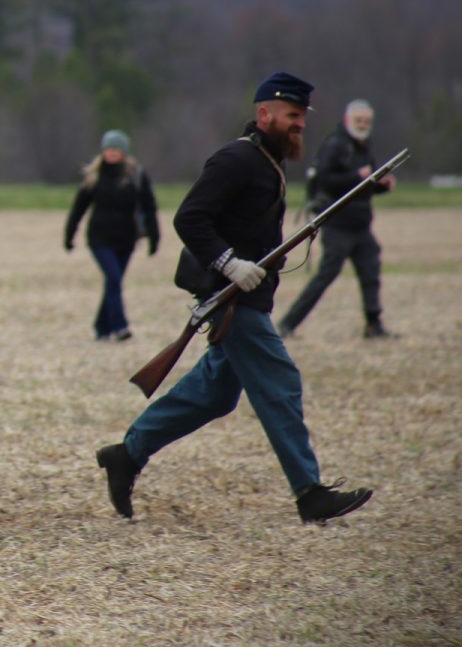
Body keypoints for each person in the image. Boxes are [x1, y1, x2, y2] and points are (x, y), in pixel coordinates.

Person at [95, 73, 374, 523]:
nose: (300, 124)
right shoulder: (237, 159)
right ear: (264, 114)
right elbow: (189, 218)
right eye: (292, 115)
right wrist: (229, 264)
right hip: (234, 301)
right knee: (280, 381)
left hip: (251, 298)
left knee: (213, 395)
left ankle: (126, 454)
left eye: (302, 117)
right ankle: (309, 493)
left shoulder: (268, 161)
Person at [278, 99, 395, 340]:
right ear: (346, 120)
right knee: (325, 276)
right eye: (358, 120)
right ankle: (288, 323)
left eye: (367, 121)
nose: (363, 125)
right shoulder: (335, 145)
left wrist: (381, 185)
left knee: (371, 274)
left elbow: (364, 186)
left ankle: (374, 326)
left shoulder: (364, 146)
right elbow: (325, 181)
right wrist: (356, 175)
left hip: (361, 225)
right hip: (338, 226)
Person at [63, 129, 161, 341]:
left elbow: (149, 207)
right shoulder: (93, 176)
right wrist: (69, 235)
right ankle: (120, 327)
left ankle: (101, 328)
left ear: (124, 151)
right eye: (108, 149)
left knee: (113, 283)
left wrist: (155, 237)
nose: (112, 153)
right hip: (100, 239)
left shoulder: (136, 176)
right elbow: (78, 208)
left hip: (127, 238)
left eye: (116, 149)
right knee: (114, 278)